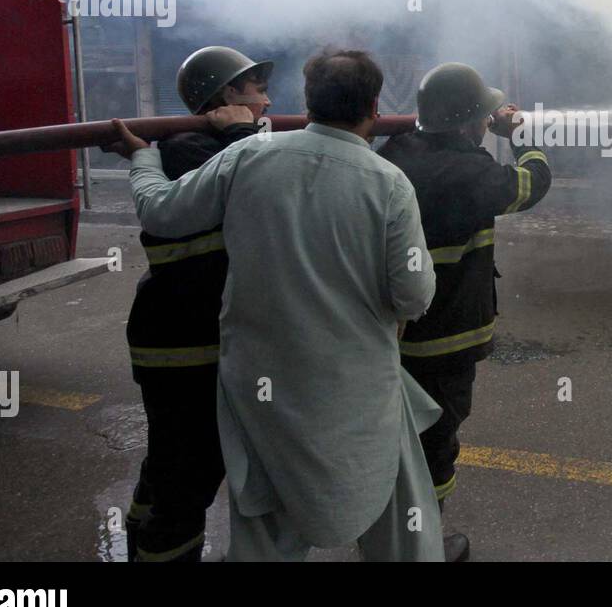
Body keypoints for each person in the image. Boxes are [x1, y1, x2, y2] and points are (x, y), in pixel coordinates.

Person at [108, 48, 442, 561]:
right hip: (354, 382)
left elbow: (159, 210)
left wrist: (143, 157)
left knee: (265, 518)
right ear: (375, 107)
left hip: (258, 383)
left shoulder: (248, 156)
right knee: (397, 505)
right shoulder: (388, 183)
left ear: (307, 103)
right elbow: (414, 295)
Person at [378, 63, 551, 562]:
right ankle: (420, 546)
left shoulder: (397, 155)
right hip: (446, 338)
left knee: (398, 435)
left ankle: (390, 533)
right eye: (481, 115)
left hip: (392, 336)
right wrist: (521, 136)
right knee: (437, 443)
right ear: (468, 122)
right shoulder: (471, 172)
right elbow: (532, 183)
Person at [123, 45, 272, 562]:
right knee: (190, 473)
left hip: (176, 337)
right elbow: (271, 186)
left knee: (169, 461)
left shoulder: (189, 147)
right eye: (256, 90)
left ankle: (142, 539)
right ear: (229, 94)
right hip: (189, 345)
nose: (268, 101)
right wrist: (239, 134)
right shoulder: (198, 151)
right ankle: (163, 552)